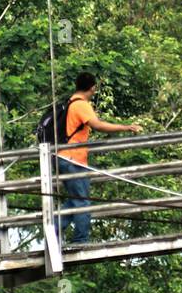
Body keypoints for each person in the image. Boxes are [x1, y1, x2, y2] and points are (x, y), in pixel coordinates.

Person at [57, 72, 142, 244]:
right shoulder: (81, 104)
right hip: (72, 159)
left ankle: (53, 233)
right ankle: (80, 241)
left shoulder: (70, 102)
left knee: (75, 201)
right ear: (93, 87)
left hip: (68, 158)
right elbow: (97, 125)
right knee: (82, 203)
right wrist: (125, 127)